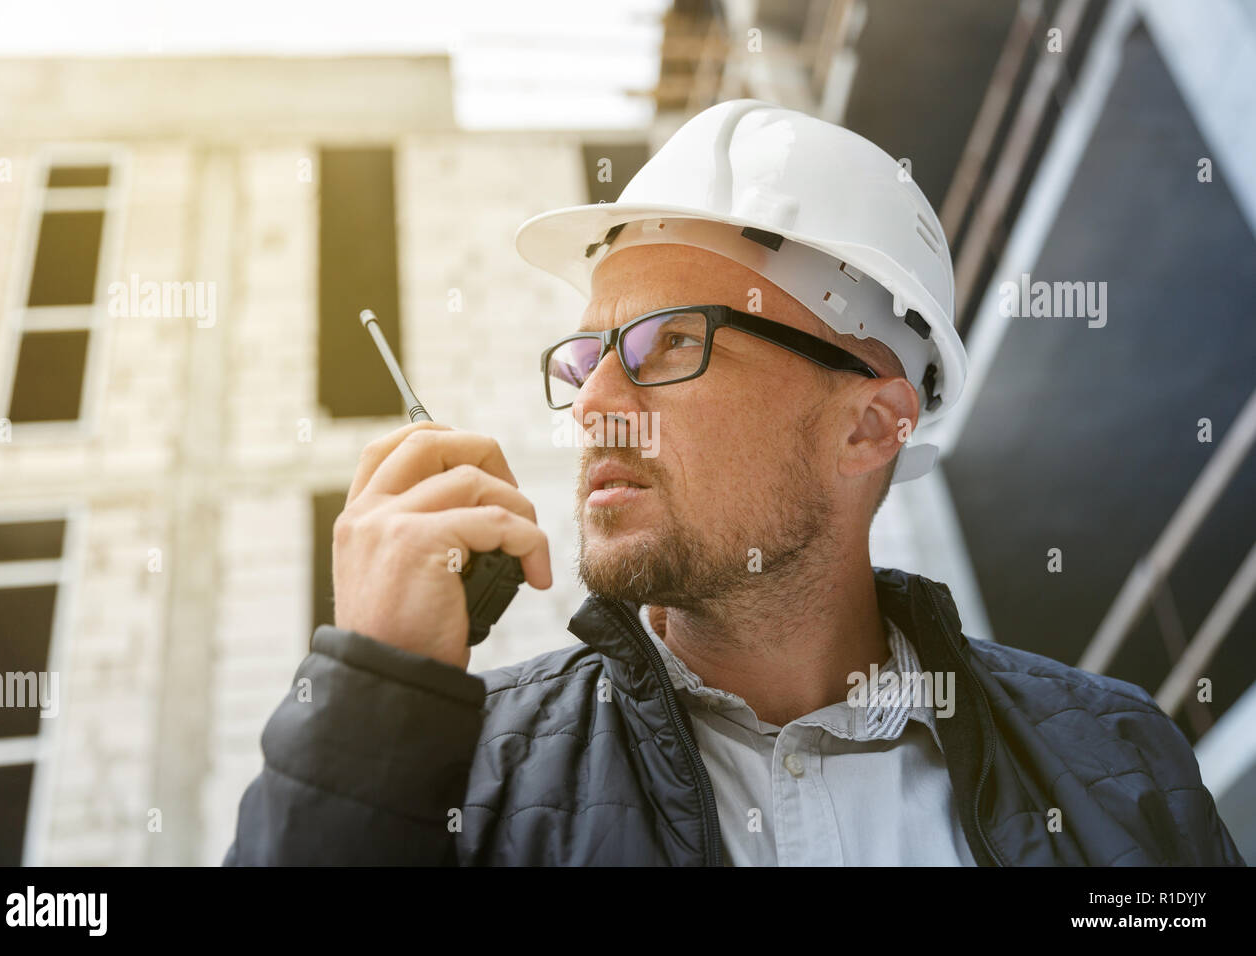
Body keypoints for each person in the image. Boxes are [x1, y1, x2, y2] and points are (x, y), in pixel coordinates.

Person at [223, 100, 1243, 866]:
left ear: (867, 425)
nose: (593, 404)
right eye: (585, 357)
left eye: (669, 343)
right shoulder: (460, 776)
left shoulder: (1115, 760)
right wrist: (370, 711)